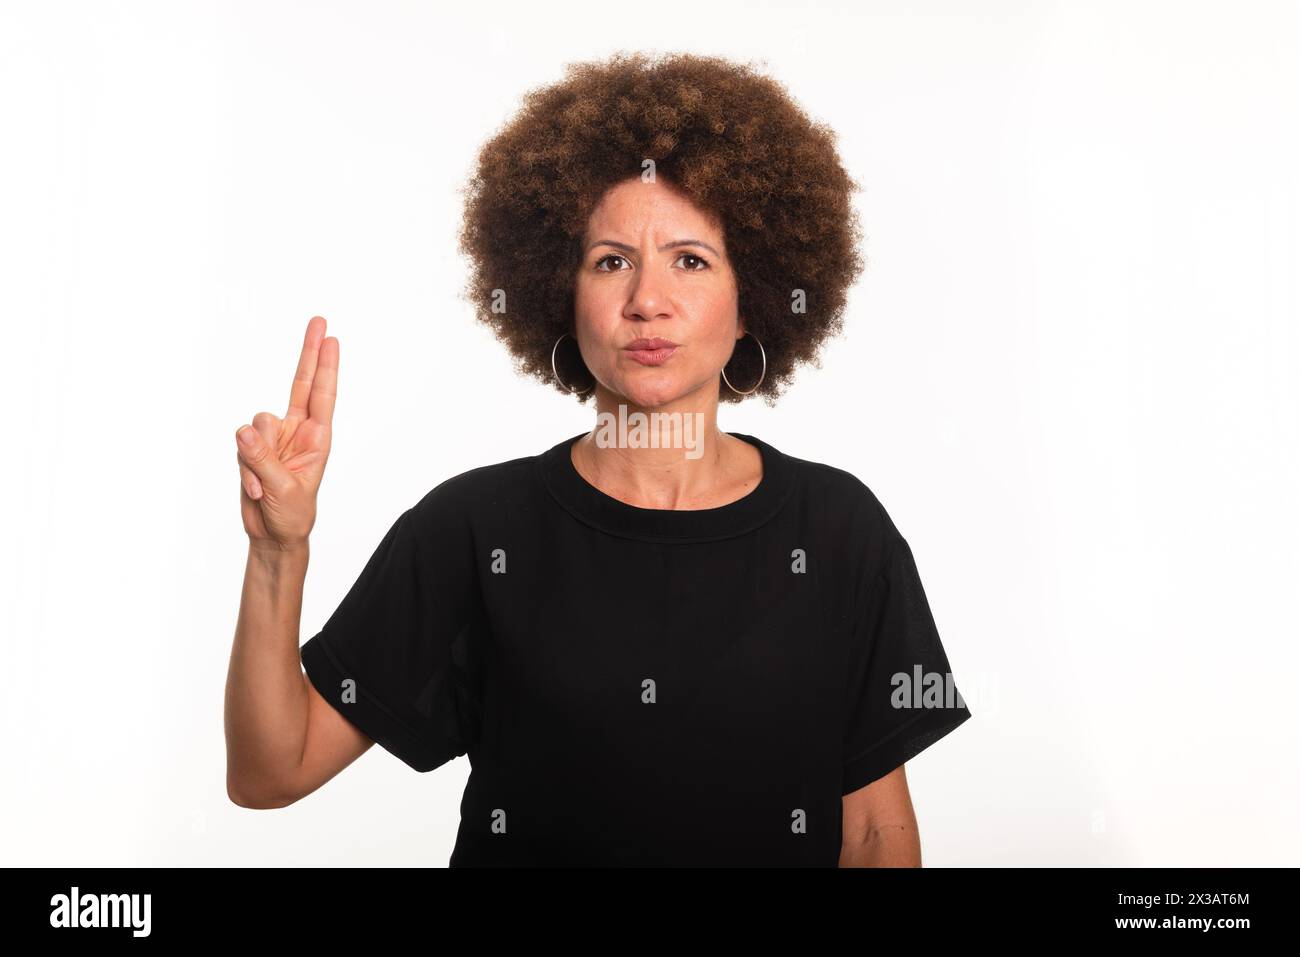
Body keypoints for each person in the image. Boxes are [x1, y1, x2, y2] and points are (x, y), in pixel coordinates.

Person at [224, 51, 972, 867]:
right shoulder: (475, 529)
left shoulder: (838, 531)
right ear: (560, 293)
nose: (647, 299)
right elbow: (271, 770)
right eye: (611, 260)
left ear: (752, 296)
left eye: (691, 259)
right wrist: (277, 551)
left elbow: (871, 831)